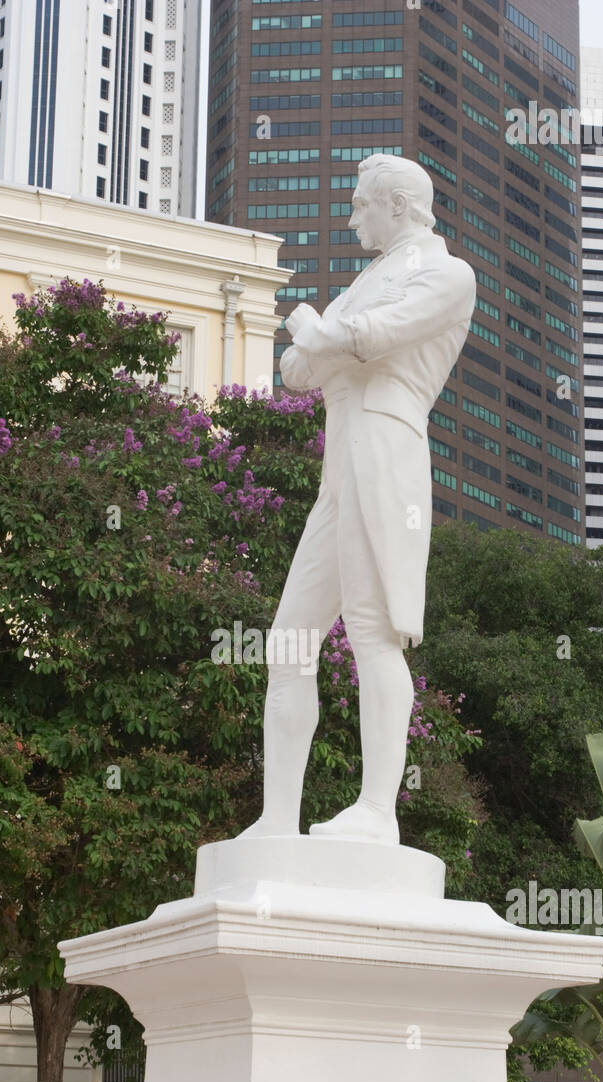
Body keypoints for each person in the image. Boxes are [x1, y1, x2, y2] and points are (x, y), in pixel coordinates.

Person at [239, 154, 477, 845]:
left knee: (374, 633)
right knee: (289, 641)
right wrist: (323, 337)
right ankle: (277, 821)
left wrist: (321, 331)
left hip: (386, 454)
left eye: (359, 205)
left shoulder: (447, 273)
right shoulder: (367, 280)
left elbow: (368, 339)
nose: (351, 218)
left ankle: (377, 810)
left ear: (397, 205)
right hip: (339, 468)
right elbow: (296, 371)